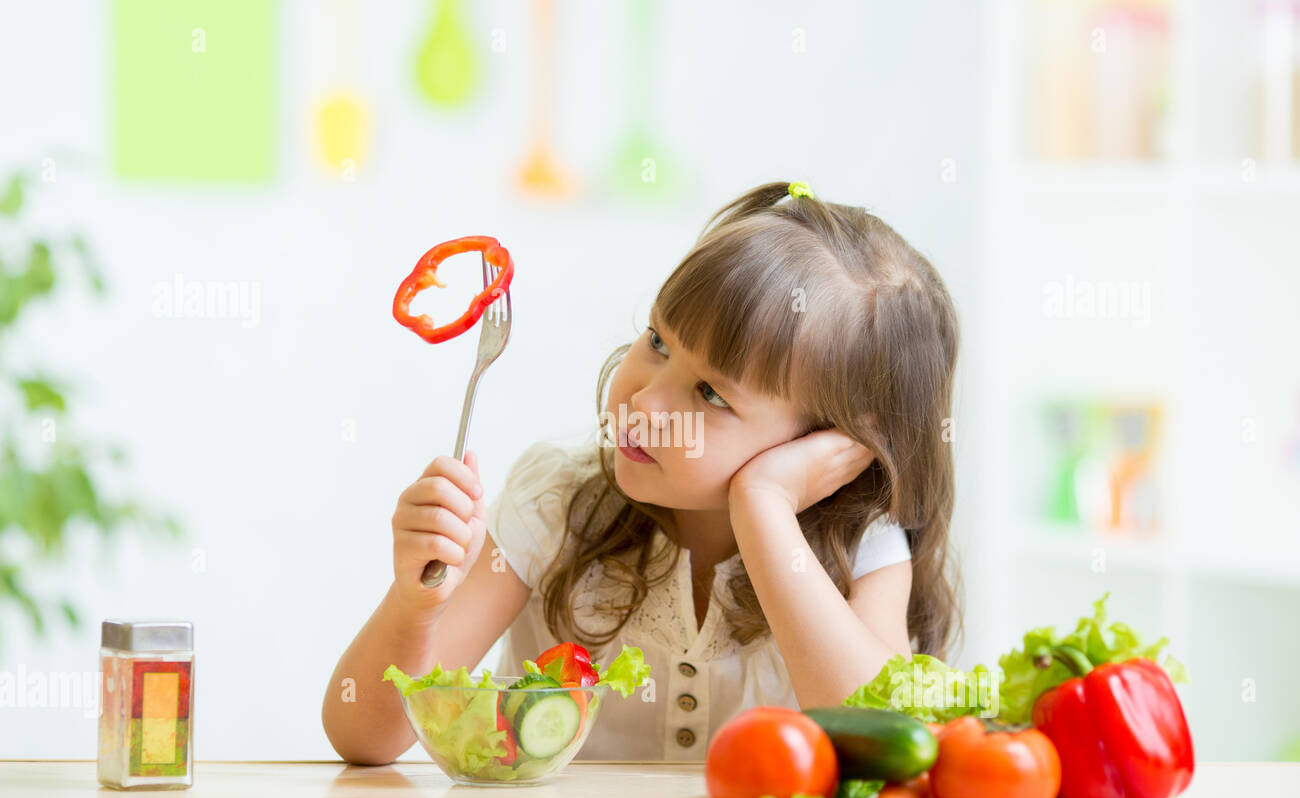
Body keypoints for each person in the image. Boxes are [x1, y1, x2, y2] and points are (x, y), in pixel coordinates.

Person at [323, 180, 963, 764]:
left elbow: (883, 751)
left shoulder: (864, 546)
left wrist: (763, 506)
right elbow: (366, 736)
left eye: (711, 394)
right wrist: (415, 605)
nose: (647, 403)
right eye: (658, 342)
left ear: (832, 449)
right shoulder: (555, 504)